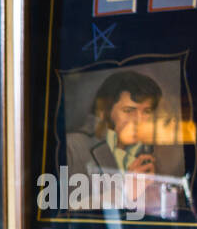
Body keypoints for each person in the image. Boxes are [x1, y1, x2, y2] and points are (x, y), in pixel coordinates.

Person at [65, 69, 182, 215]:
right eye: (128, 110)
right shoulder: (72, 146)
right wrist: (124, 192)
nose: (139, 120)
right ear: (105, 111)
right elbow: (57, 213)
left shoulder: (150, 155)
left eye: (146, 111)